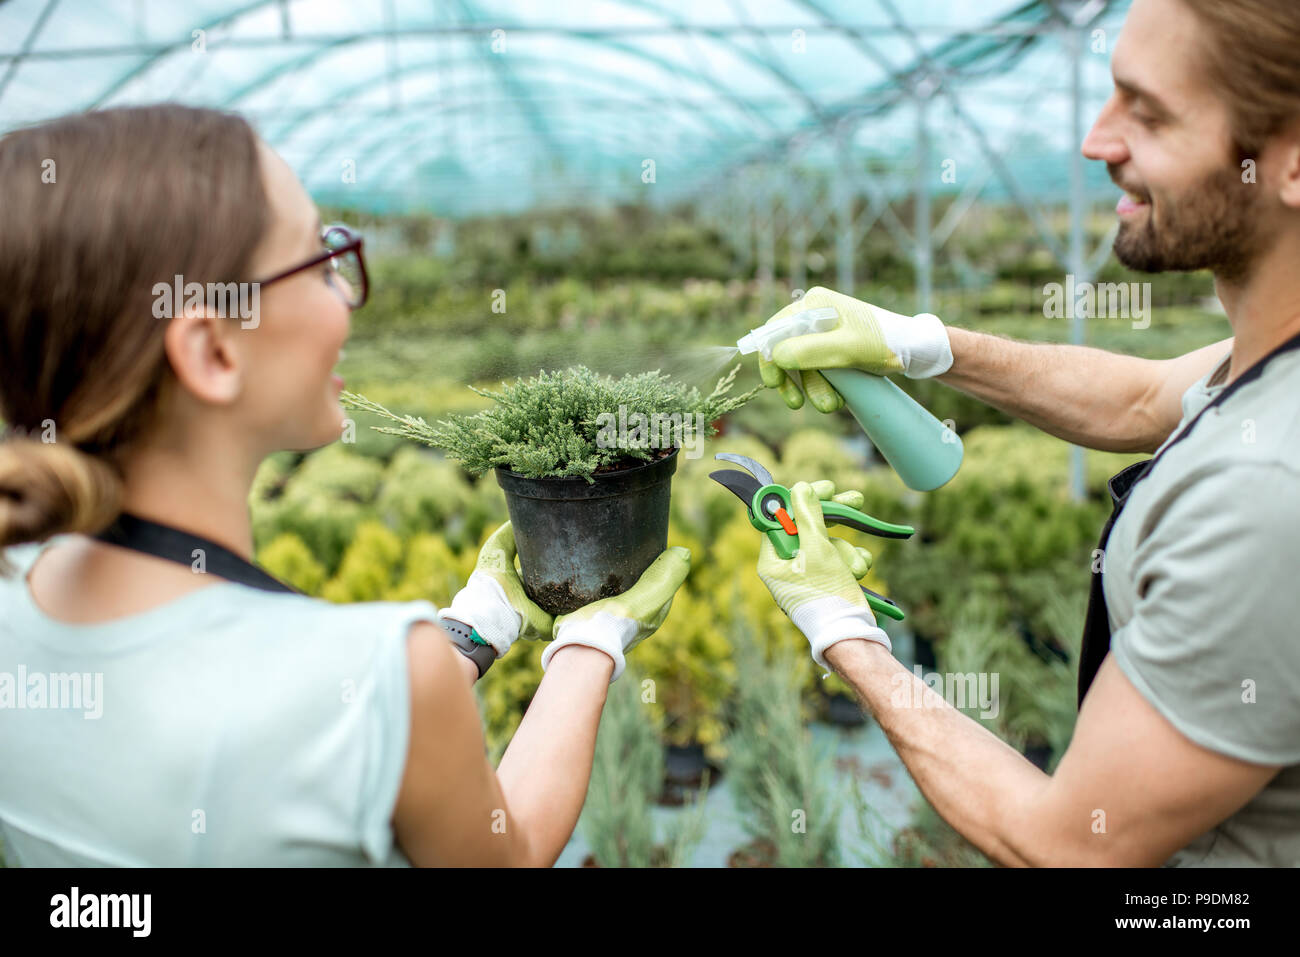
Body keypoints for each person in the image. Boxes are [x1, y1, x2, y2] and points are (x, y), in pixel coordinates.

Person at [0, 104, 690, 867]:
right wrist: (593, 640)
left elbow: (348, 727)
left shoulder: (15, 600)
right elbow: (513, 849)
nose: (346, 297)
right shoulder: (380, 670)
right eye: (318, 262)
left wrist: (472, 628)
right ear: (212, 352)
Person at [749, 0, 1300, 866]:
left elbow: (1067, 844)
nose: (1096, 140)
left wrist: (840, 630)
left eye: (1147, 112)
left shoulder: (1268, 497)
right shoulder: (1272, 363)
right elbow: (1142, 396)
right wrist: (918, 343)